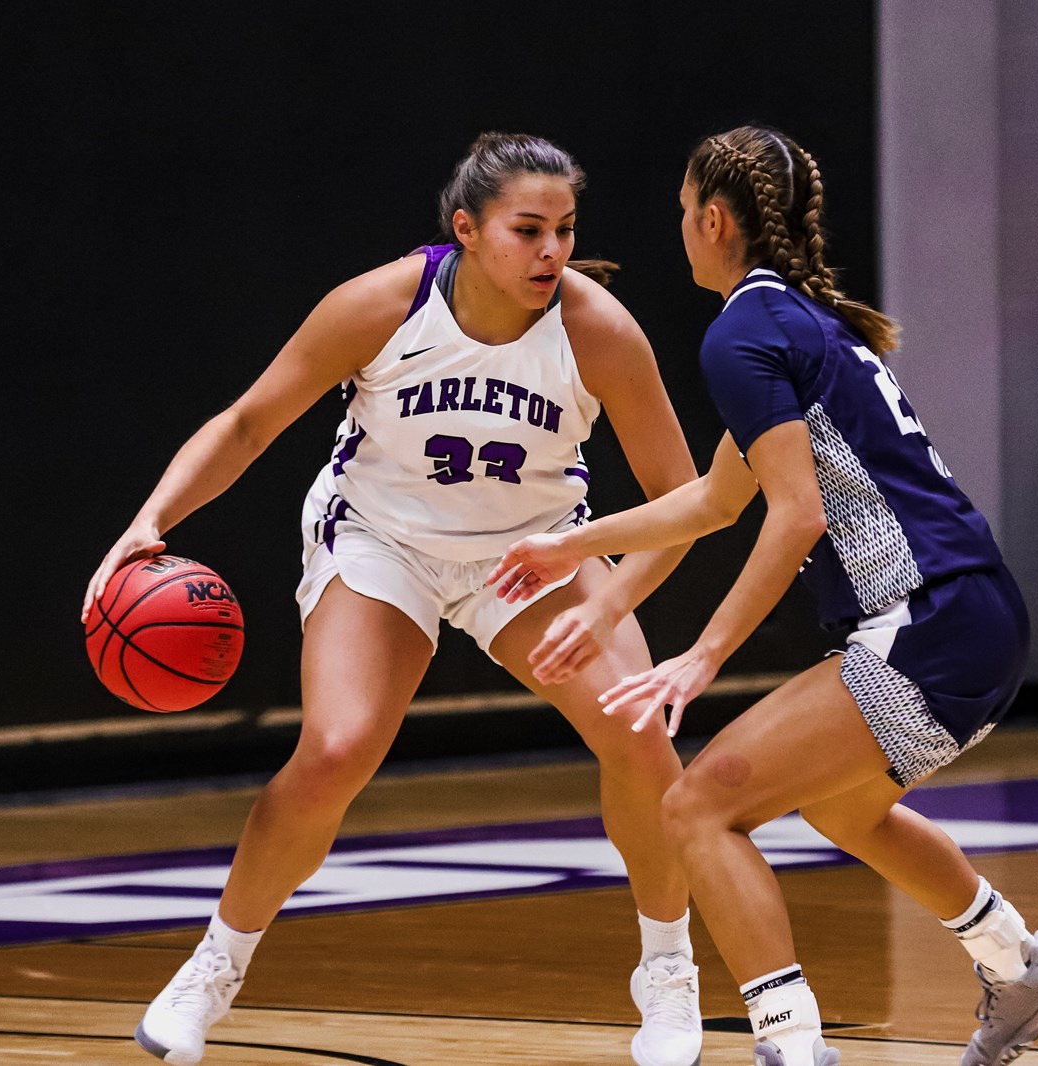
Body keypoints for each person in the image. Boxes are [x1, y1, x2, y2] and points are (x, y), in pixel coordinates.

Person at [82, 132, 706, 1066]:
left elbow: (682, 502)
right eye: (527, 230)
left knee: (639, 734)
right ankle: (215, 964)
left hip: (530, 553)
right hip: (384, 539)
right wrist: (149, 519)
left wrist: (607, 605)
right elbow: (251, 421)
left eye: (565, 231)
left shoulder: (599, 330)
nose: (551, 253)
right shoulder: (383, 304)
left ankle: (667, 975)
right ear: (467, 228)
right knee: (335, 750)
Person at [489, 125, 1038, 1066]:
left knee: (695, 808)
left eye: (685, 213)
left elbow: (796, 514)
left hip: (926, 622)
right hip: (977, 618)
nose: (680, 229)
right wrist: (572, 547)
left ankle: (789, 1042)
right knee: (842, 809)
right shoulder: (802, 323)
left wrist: (705, 654)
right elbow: (716, 499)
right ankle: (1016, 963)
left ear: (716, 219)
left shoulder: (743, 332)